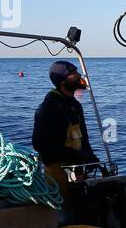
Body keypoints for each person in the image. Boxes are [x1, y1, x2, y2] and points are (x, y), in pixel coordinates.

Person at [33, 60, 98, 194]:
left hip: (78, 169)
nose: (79, 75)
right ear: (62, 81)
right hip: (57, 174)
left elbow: (83, 136)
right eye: (73, 73)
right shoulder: (49, 108)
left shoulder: (75, 105)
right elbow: (39, 144)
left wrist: (89, 156)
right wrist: (75, 154)